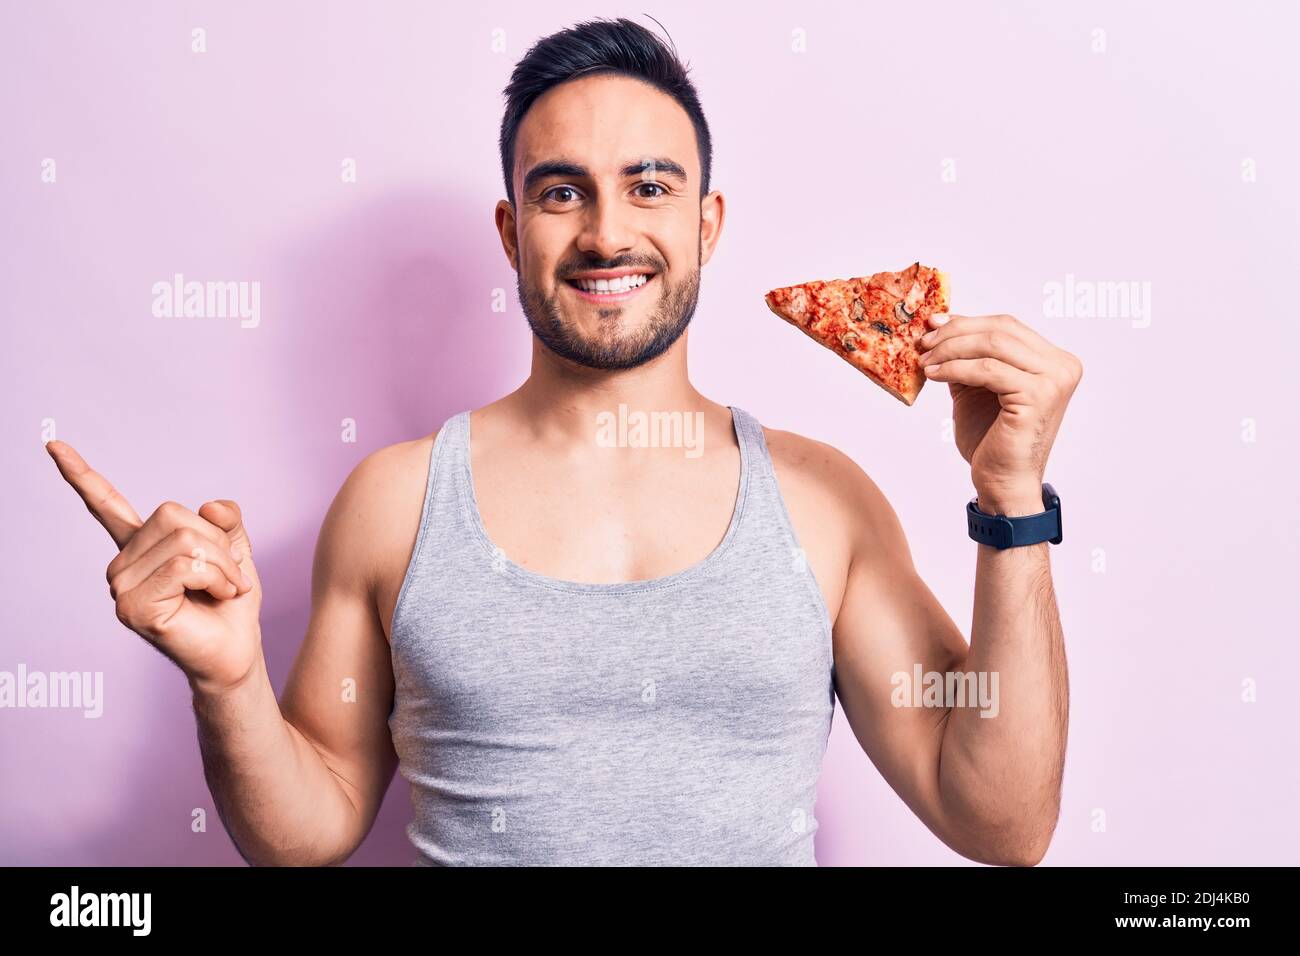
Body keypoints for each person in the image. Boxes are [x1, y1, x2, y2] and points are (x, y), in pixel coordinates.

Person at [48, 17, 1082, 866]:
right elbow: (306, 831)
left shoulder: (823, 501)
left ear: (706, 224)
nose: (604, 231)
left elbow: (998, 815)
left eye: (649, 185)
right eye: (561, 190)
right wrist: (227, 683)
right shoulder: (396, 499)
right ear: (512, 231)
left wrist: (1013, 503)